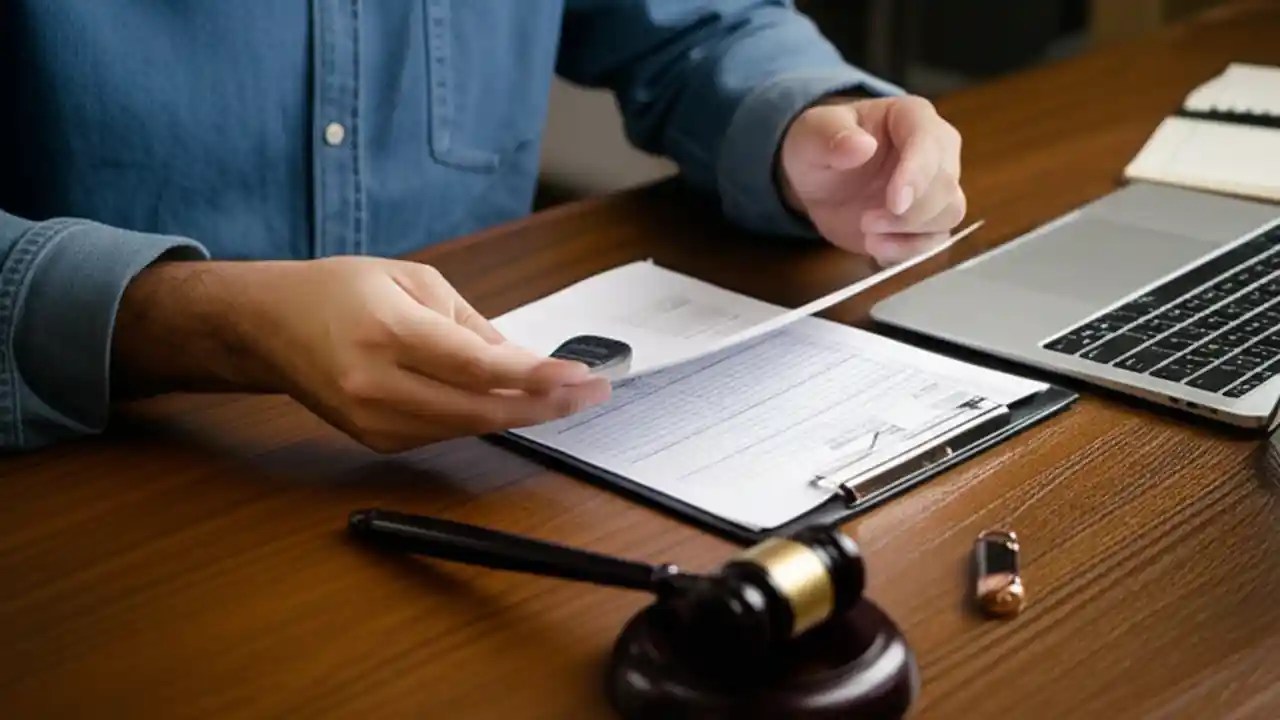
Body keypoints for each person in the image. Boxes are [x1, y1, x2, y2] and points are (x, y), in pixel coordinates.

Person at [0, 1, 965, 453]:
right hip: (99, 488)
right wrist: (197, 318)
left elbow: (696, 24)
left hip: (485, 454)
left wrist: (806, 127)